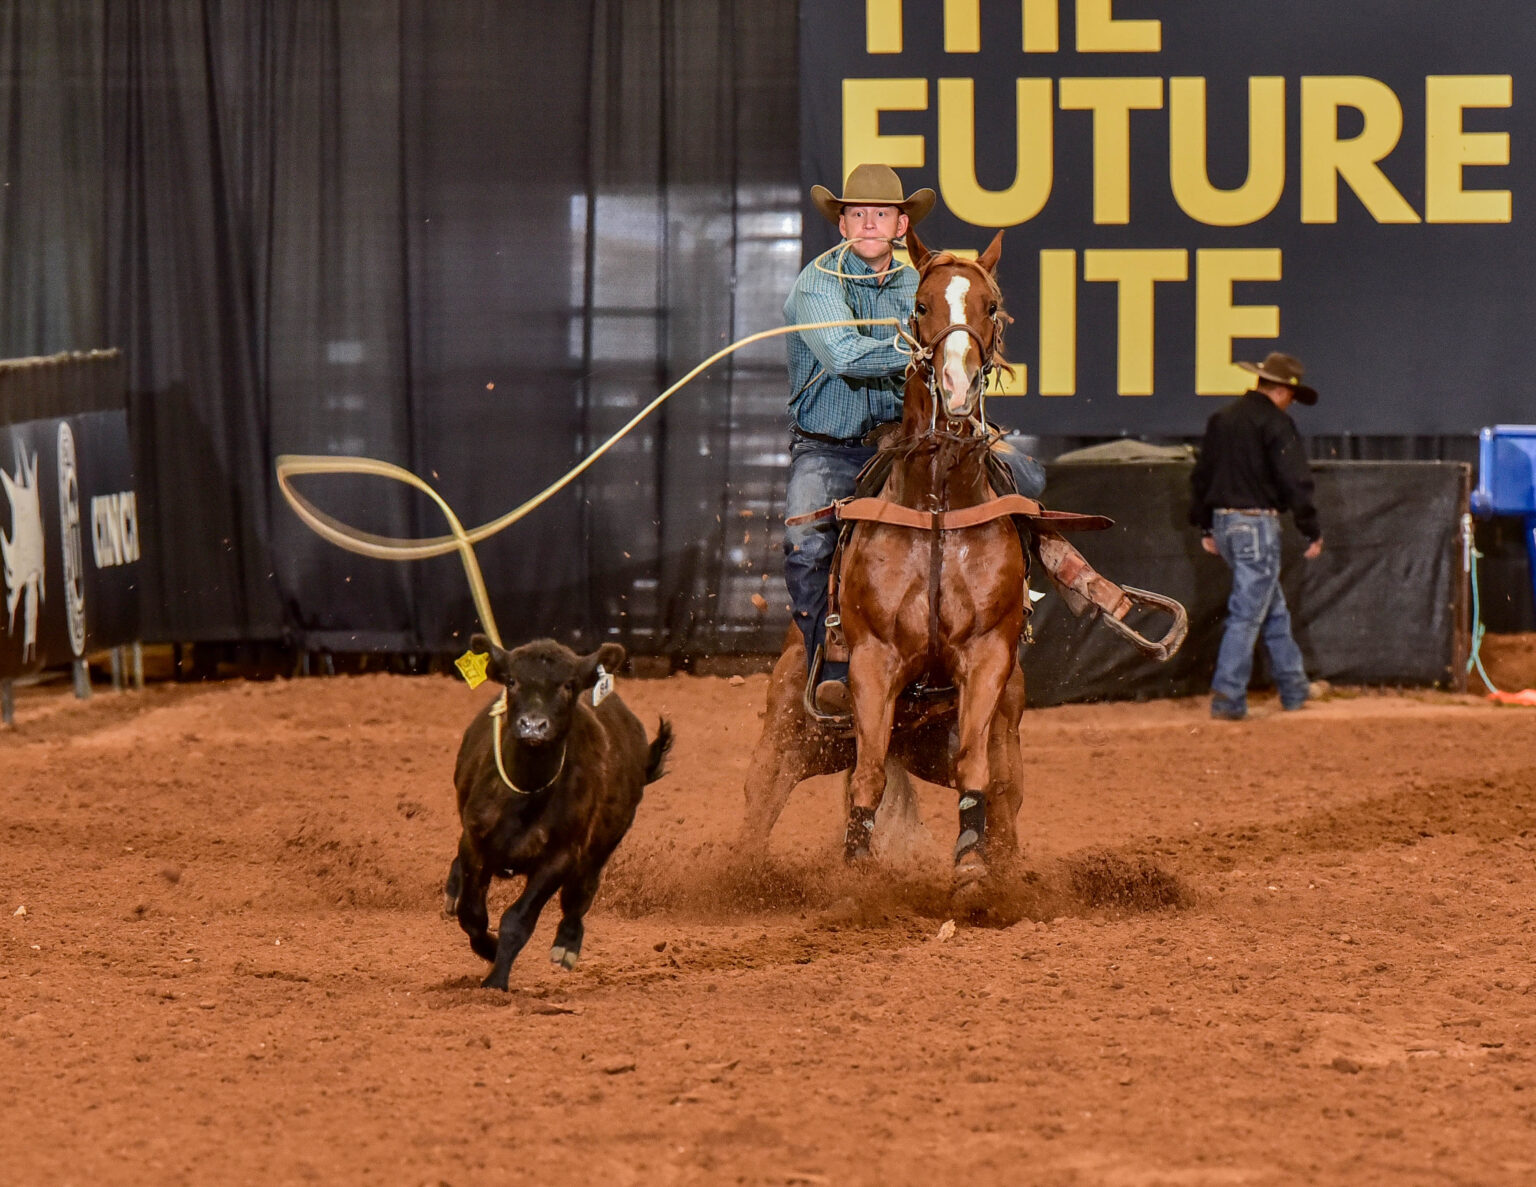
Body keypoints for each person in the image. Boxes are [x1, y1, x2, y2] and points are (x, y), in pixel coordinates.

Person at [781, 163, 1044, 715]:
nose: (870, 224)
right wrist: (921, 348)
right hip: (831, 444)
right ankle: (827, 667)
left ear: (901, 226)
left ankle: (1005, 617)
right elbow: (845, 359)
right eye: (858, 214)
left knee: (1027, 479)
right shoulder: (818, 284)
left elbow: (958, 318)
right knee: (807, 545)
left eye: (882, 215)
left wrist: (957, 344)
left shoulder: (920, 283)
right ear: (843, 225)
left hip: (906, 440)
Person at [1189, 351, 1325, 721]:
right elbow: (1294, 478)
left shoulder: (1223, 419)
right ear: (1282, 391)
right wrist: (1310, 527)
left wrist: (1206, 525)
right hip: (1256, 526)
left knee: (1270, 607)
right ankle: (1228, 697)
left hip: (1224, 523)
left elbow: (1202, 475)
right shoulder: (1276, 425)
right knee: (1248, 612)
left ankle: (1294, 687)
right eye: (1292, 396)